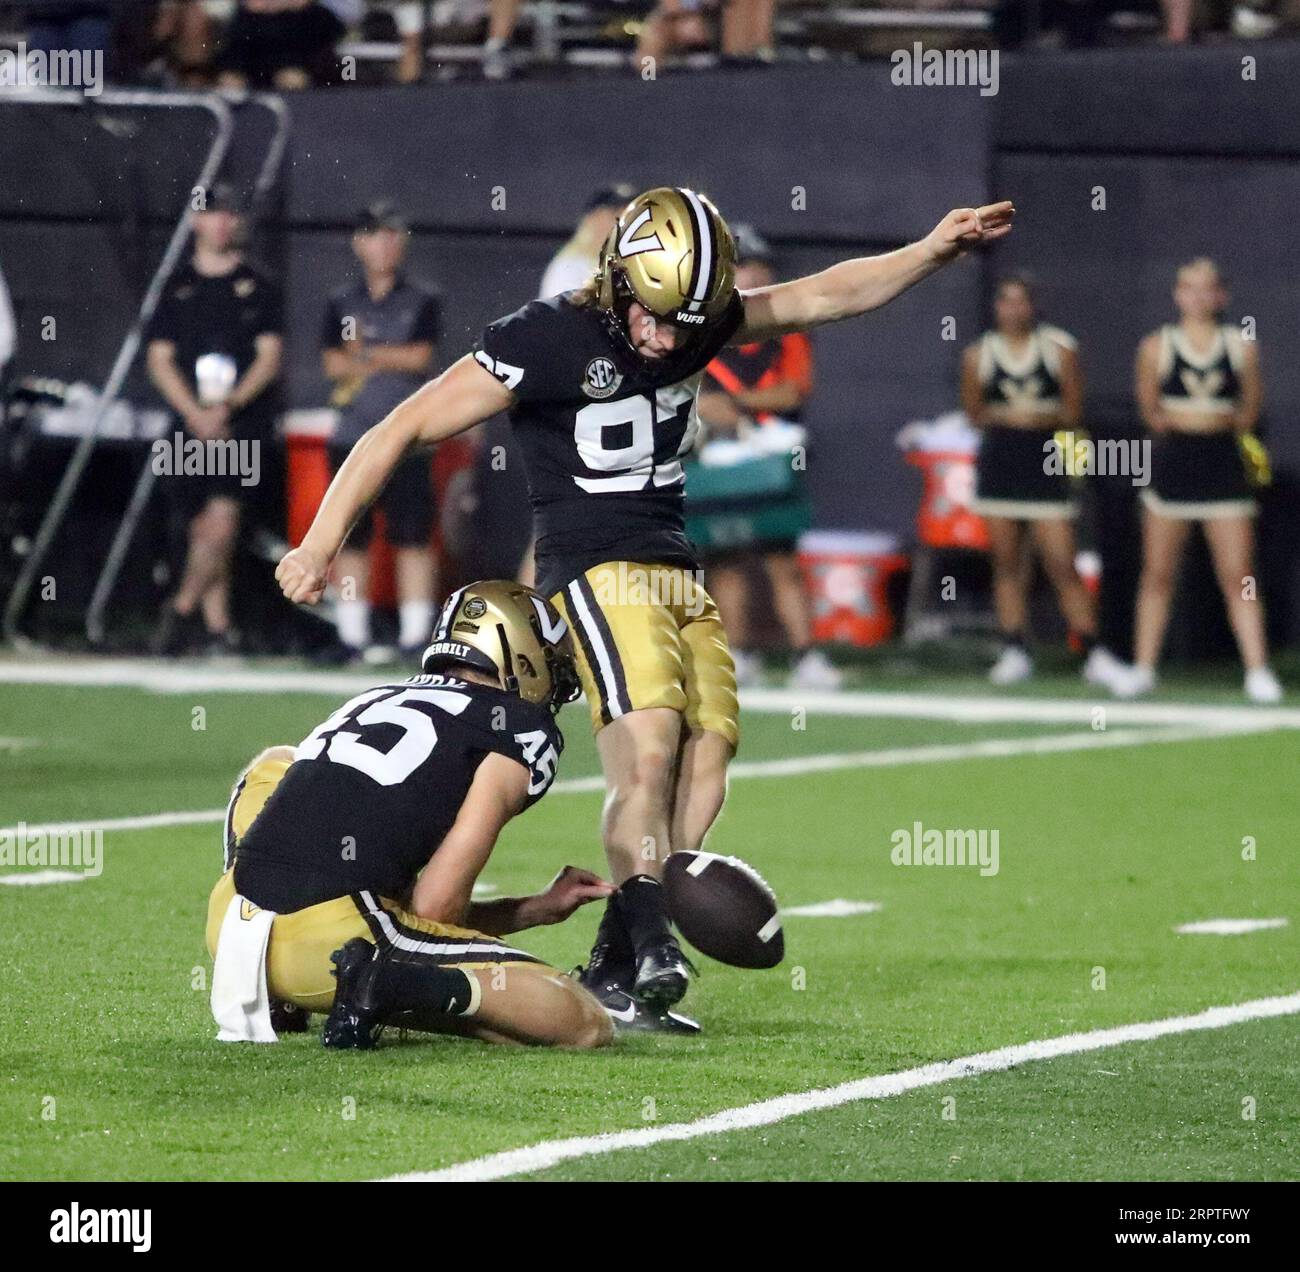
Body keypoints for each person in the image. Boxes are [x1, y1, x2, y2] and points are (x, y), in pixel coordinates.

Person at [277, 185, 1016, 1032]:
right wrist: (319, 541)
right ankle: (653, 941)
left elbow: (826, 295)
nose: (668, 339)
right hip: (594, 565)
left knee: (708, 755)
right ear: (618, 278)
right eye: (655, 315)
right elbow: (401, 427)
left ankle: (617, 960)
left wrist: (931, 249)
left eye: (683, 323)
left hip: (673, 563)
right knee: (649, 738)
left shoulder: (697, 317)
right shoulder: (545, 334)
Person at [206, 580, 616, 1048]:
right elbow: (436, 909)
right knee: (582, 1023)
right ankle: (381, 985)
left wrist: (535, 908)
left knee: (276, 760)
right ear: (519, 651)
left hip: (231, 929)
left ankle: (286, 991)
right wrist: (520, 916)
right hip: (330, 944)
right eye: (552, 656)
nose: (559, 674)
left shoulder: (375, 697)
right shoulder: (521, 729)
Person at [1124, 258, 1281, 703]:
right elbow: (1151, 412)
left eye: (1206, 288)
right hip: (1174, 467)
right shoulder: (1157, 346)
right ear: (1177, 294)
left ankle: (1257, 670)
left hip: (1223, 468)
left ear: (1221, 296)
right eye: (1189, 288)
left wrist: (1209, 421)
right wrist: (1192, 420)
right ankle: (1143, 668)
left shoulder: (1240, 346)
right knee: (1157, 574)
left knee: (1239, 574)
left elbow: (1250, 409)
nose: (1197, 297)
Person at [962, 275, 1125, 690]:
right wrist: (1013, 418)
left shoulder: (1058, 349)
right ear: (996, 307)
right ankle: (1014, 647)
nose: (1014, 310)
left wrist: (1032, 418)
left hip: (1046, 460)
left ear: (1033, 307)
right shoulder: (979, 354)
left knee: (1061, 561)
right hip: (1000, 462)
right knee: (1007, 562)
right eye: (1006, 301)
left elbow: (1071, 410)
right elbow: (975, 413)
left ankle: (1091, 650)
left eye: (1022, 302)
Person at [697, 223, 838, 690]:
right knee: (726, 560)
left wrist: (735, 405)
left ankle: (805, 655)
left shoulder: (786, 332)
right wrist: (706, 406)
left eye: (759, 270)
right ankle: (738, 654)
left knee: (783, 560)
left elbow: (792, 390)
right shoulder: (700, 336)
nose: (752, 280)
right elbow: (690, 395)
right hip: (716, 460)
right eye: (742, 270)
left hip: (772, 464)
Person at [147, 183, 282, 656]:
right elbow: (160, 358)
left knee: (223, 521)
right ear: (195, 221)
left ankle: (180, 610)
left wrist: (228, 407)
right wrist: (194, 412)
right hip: (189, 423)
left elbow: (269, 357)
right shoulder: (177, 285)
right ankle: (216, 627)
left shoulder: (257, 285)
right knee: (199, 526)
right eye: (213, 214)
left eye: (230, 214)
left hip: (238, 424)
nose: (222, 223)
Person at [320, 200, 442, 660]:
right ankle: (352, 634)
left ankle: (415, 635)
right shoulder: (341, 301)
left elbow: (421, 358)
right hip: (353, 433)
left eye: (393, 234)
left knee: (412, 534)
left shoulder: (421, 299)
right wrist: (387, 353)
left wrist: (367, 353)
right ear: (359, 242)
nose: (385, 244)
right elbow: (332, 362)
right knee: (351, 534)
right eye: (375, 234)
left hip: (406, 433)